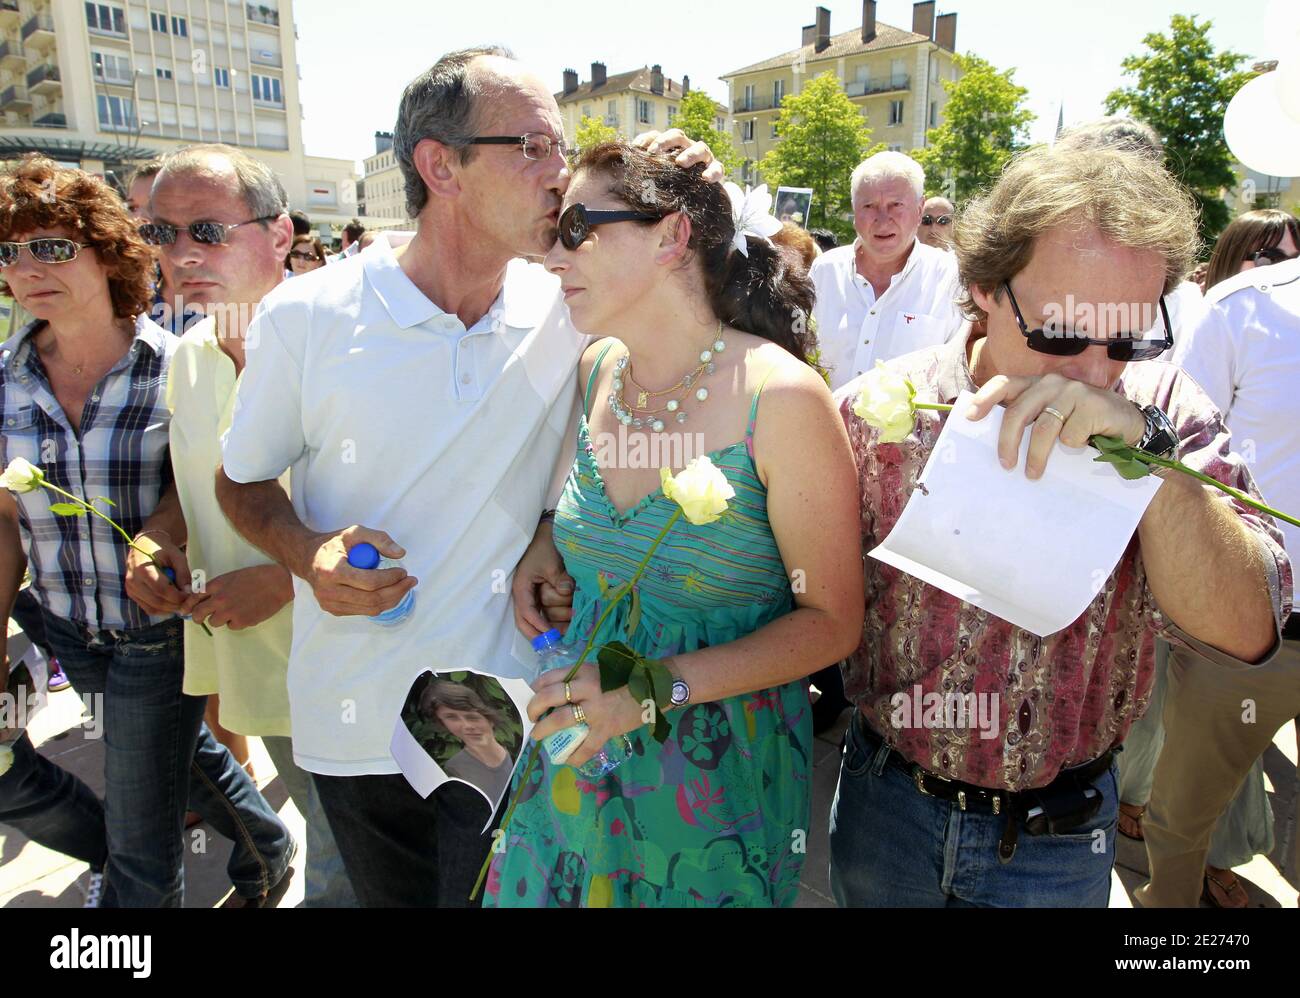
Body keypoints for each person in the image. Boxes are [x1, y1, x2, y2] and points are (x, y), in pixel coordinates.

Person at [212, 47, 723, 907]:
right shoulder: (306, 316)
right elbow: (242, 484)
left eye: (560, 149)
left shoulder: (571, 307)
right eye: (531, 148)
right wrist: (307, 553)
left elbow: (708, 344)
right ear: (439, 165)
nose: (557, 174)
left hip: (496, 707)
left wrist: (551, 528)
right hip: (353, 714)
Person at [829, 143, 1290, 908]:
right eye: (1062, 333)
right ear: (982, 286)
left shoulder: (1165, 414)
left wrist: (1153, 465)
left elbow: (1246, 631)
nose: (1094, 372)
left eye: (1127, 338)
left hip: (1062, 835)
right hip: (888, 809)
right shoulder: (881, 411)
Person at [485, 141, 862, 908]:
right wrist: (548, 540)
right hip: (573, 769)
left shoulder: (781, 398)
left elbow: (832, 623)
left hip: (710, 795)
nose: (554, 255)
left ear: (671, 237)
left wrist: (655, 688)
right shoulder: (597, 369)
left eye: (577, 226)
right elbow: (577, 501)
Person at [0, 155, 295, 907]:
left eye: (54, 247)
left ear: (108, 253)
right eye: (10, 251)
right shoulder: (6, 380)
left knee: (139, 837)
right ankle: (264, 845)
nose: (29, 267)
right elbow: (6, 519)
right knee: (178, 757)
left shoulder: (169, 363)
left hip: (158, 632)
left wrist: (164, 537)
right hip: (70, 628)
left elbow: (194, 483)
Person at [125, 144, 356, 908]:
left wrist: (287, 579)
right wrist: (159, 538)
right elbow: (192, 486)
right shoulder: (188, 355)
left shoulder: (352, 344)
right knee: (335, 854)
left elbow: (422, 505)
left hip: (353, 666)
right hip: (257, 670)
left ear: (281, 236)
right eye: (161, 234)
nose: (182, 254)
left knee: (349, 870)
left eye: (208, 230)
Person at [808, 151, 965, 393]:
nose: (883, 219)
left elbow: (960, 376)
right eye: (869, 206)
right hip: (824, 429)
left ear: (919, 208)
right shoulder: (824, 272)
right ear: (854, 211)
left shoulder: (950, 279)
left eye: (896, 205)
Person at [420, 680, 515, 804]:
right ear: (443, 724)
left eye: (471, 716)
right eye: (452, 717)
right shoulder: (456, 769)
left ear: (489, 718)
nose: (467, 726)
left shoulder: (519, 751)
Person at [1202, 209, 1299, 291]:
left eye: (1297, 260)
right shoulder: (1197, 310)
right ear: (1230, 261)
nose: (1289, 269)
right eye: (1272, 258)